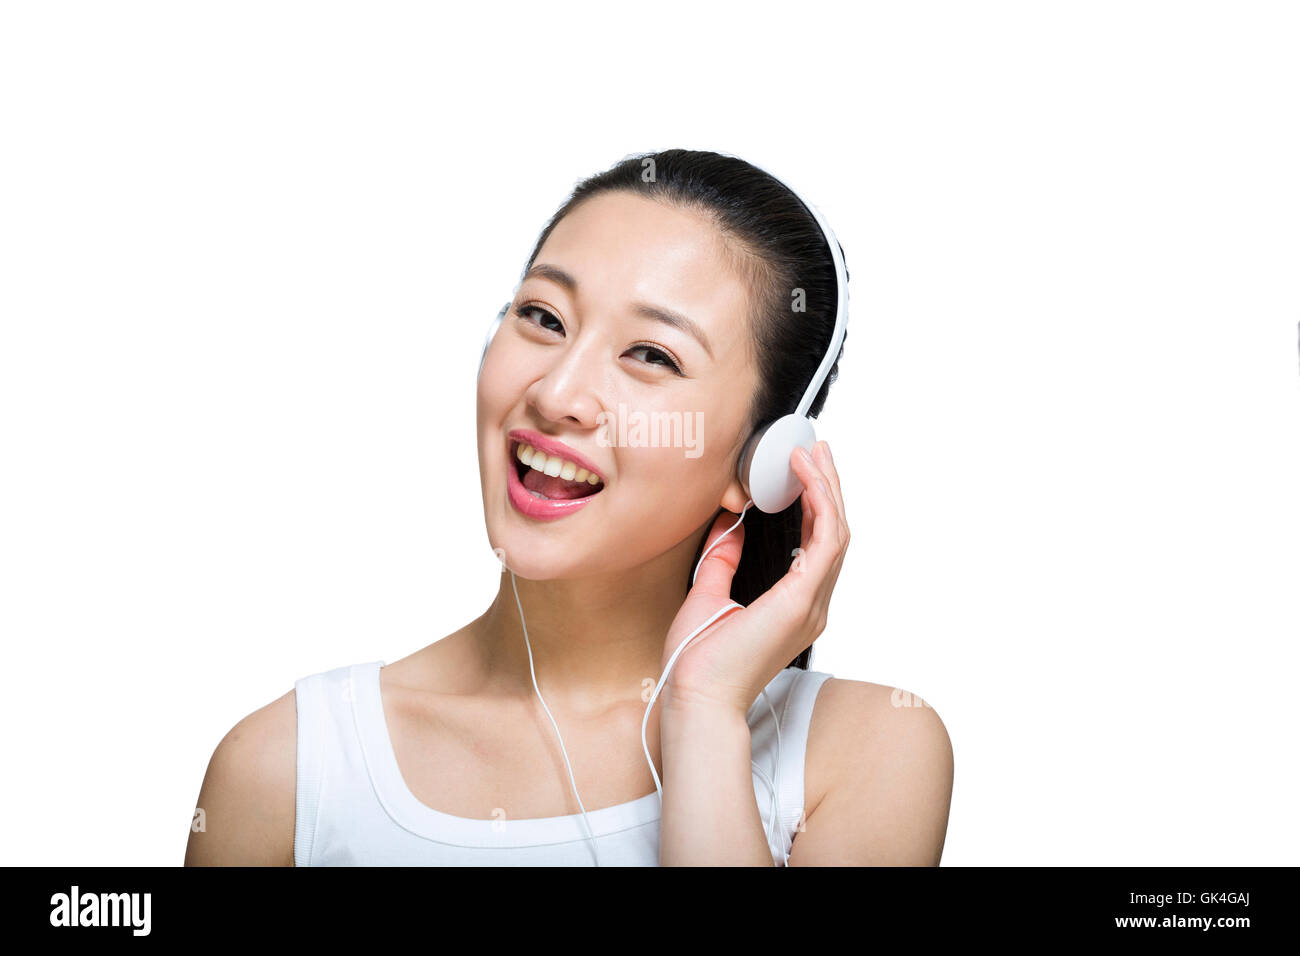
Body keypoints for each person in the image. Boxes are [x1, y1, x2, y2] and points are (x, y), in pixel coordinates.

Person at [184, 149, 953, 866]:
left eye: (651, 355)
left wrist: (707, 714)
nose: (554, 395)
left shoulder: (869, 749)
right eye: (544, 317)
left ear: (763, 461)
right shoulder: (287, 770)